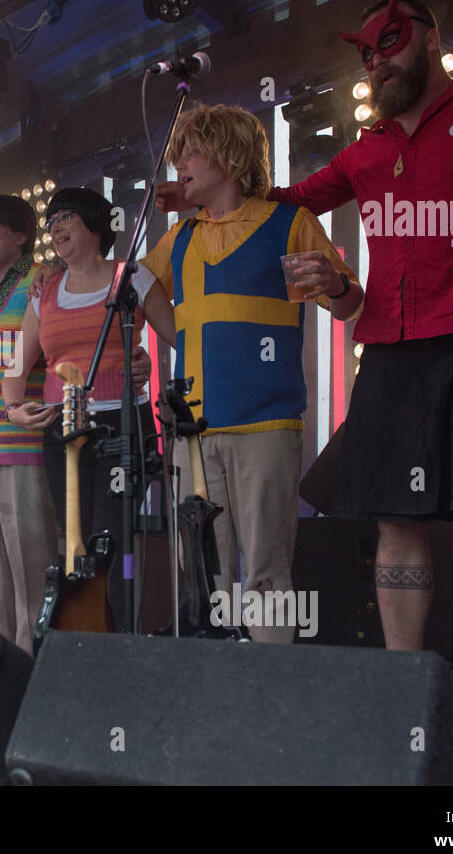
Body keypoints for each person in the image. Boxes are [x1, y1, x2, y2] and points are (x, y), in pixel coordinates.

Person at [157, 0, 453, 745]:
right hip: (393, 345)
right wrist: (205, 189)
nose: (376, 59)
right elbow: (285, 195)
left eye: (391, 42)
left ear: (432, 38)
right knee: (395, 520)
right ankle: (406, 690)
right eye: (366, 52)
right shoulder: (366, 149)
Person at [144, 103, 363, 642]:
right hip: (194, 430)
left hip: (267, 425)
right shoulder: (182, 236)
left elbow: (348, 303)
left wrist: (334, 285)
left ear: (230, 155)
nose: (182, 166)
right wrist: (188, 340)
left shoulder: (290, 224)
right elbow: (136, 286)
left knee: (266, 572)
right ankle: (218, 702)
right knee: (203, 577)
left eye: (191, 152)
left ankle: (270, 700)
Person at [4, 188, 176, 633]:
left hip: (121, 422)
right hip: (63, 427)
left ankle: (112, 649)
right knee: (73, 543)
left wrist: (150, 361)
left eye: (65, 218)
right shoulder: (45, 291)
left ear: (94, 225)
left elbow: (183, 338)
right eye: (50, 222)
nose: (55, 228)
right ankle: (81, 647)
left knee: (109, 541)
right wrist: (13, 410)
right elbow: (17, 369)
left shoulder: (132, 278)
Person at [0, 194, 58, 649]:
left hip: (22, 444)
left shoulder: (40, 284)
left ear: (21, 235)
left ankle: (35, 665)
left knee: (30, 566)